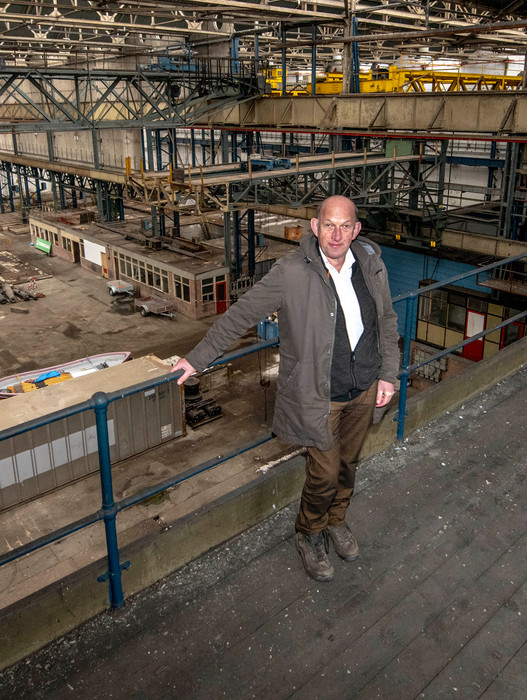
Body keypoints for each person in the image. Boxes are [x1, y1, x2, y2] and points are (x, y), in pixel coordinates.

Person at [171, 195, 399, 582]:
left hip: (364, 388)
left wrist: (388, 375)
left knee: (349, 464)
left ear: (356, 230)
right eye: (329, 224)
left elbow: (386, 322)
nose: (337, 234)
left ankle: (336, 521)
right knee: (324, 473)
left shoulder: (371, 264)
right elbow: (242, 313)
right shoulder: (291, 272)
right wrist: (197, 358)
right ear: (315, 226)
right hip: (319, 396)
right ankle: (309, 532)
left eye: (345, 226)